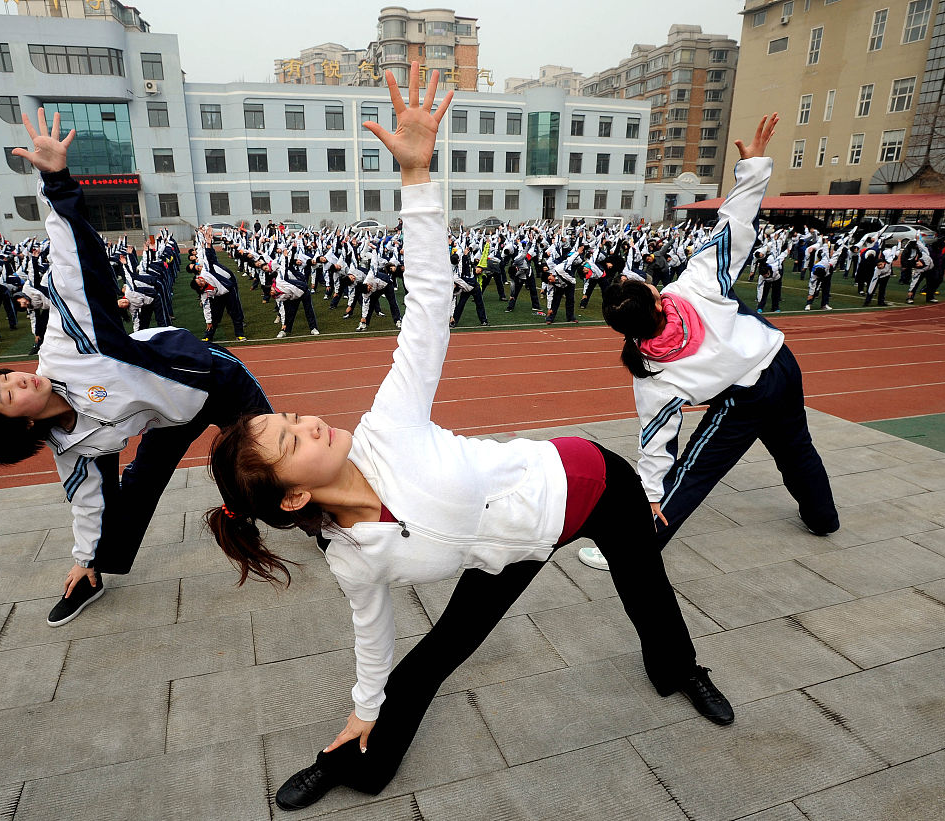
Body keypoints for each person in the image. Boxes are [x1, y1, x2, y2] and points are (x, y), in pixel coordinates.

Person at [204, 63, 734, 814]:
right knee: (424, 664)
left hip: (584, 481)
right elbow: (372, 636)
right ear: (293, 493)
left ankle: (680, 669)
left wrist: (417, 178)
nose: (307, 420)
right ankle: (354, 756)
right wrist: (363, 702)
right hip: (508, 548)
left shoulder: (388, 423)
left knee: (645, 584)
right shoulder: (353, 557)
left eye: (287, 416)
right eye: (291, 439)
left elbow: (427, 306)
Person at [0, 108, 271, 627]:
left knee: (266, 461)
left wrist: (57, 182)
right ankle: (96, 576)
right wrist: (83, 558)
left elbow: (73, 269)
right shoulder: (72, 449)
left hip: (212, 379)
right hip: (168, 416)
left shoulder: (67, 347)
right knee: (128, 495)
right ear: (24, 425)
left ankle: (322, 523)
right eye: (8, 395)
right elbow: (86, 502)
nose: (17, 379)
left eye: (3, 377)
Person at [578, 113, 839, 574]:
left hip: (744, 399)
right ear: (656, 297)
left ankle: (632, 545)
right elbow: (735, 223)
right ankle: (823, 520)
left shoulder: (650, 372)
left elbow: (656, 444)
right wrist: (754, 167)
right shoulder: (694, 283)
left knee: (694, 473)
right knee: (797, 448)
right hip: (781, 364)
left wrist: (651, 493)